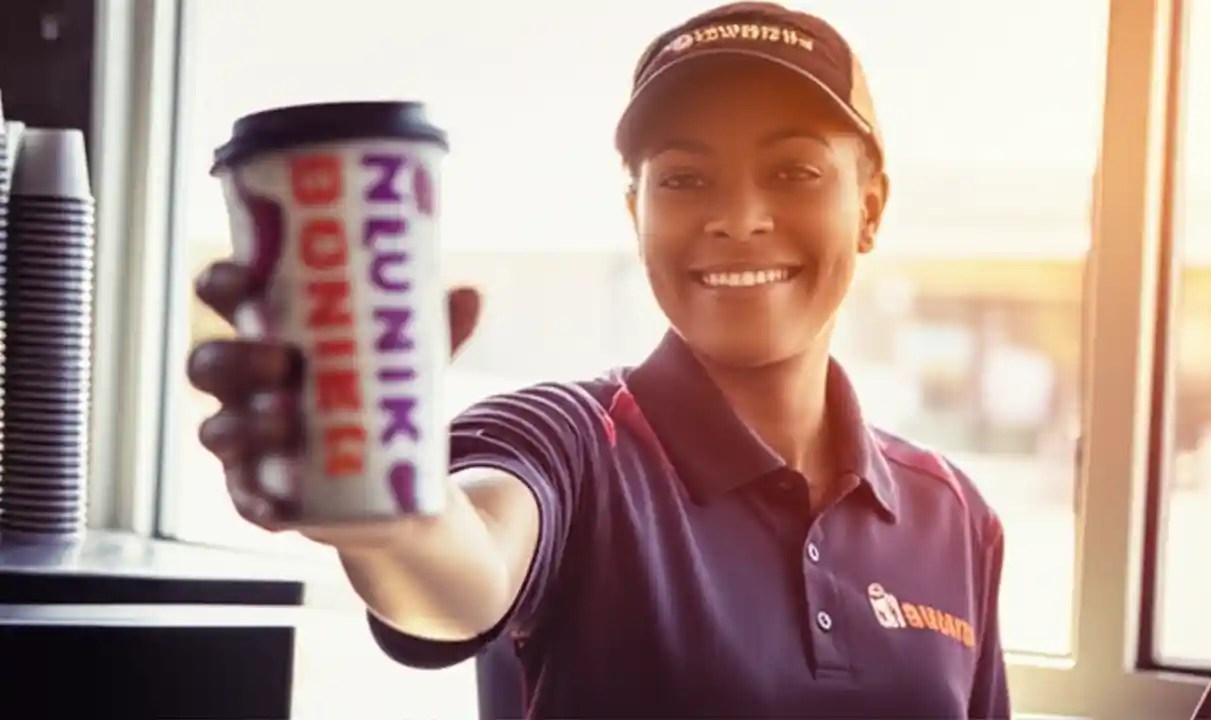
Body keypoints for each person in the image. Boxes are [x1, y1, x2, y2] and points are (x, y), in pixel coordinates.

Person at [187, 3, 1011, 717]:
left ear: (869, 208)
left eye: (793, 170)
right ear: (636, 213)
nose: (738, 217)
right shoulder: (569, 442)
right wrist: (380, 509)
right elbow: (459, 574)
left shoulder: (956, 517)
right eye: (685, 178)